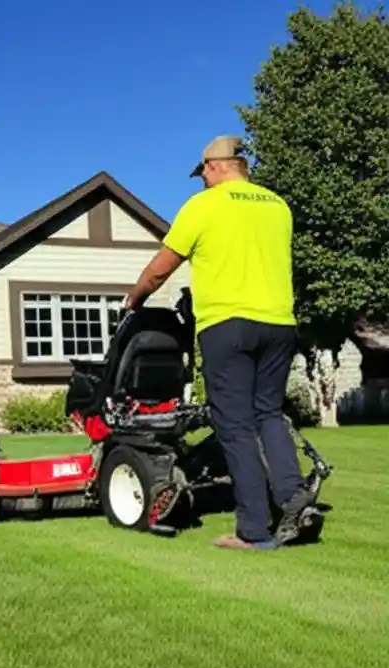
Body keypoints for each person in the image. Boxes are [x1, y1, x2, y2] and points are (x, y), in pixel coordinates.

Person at [123, 135, 314, 551]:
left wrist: (134, 298)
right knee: (269, 413)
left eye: (203, 174)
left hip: (228, 326)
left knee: (235, 425)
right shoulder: (278, 206)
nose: (202, 181)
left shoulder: (203, 206)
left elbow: (162, 267)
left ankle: (253, 529)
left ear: (214, 167)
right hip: (280, 323)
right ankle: (293, 497)